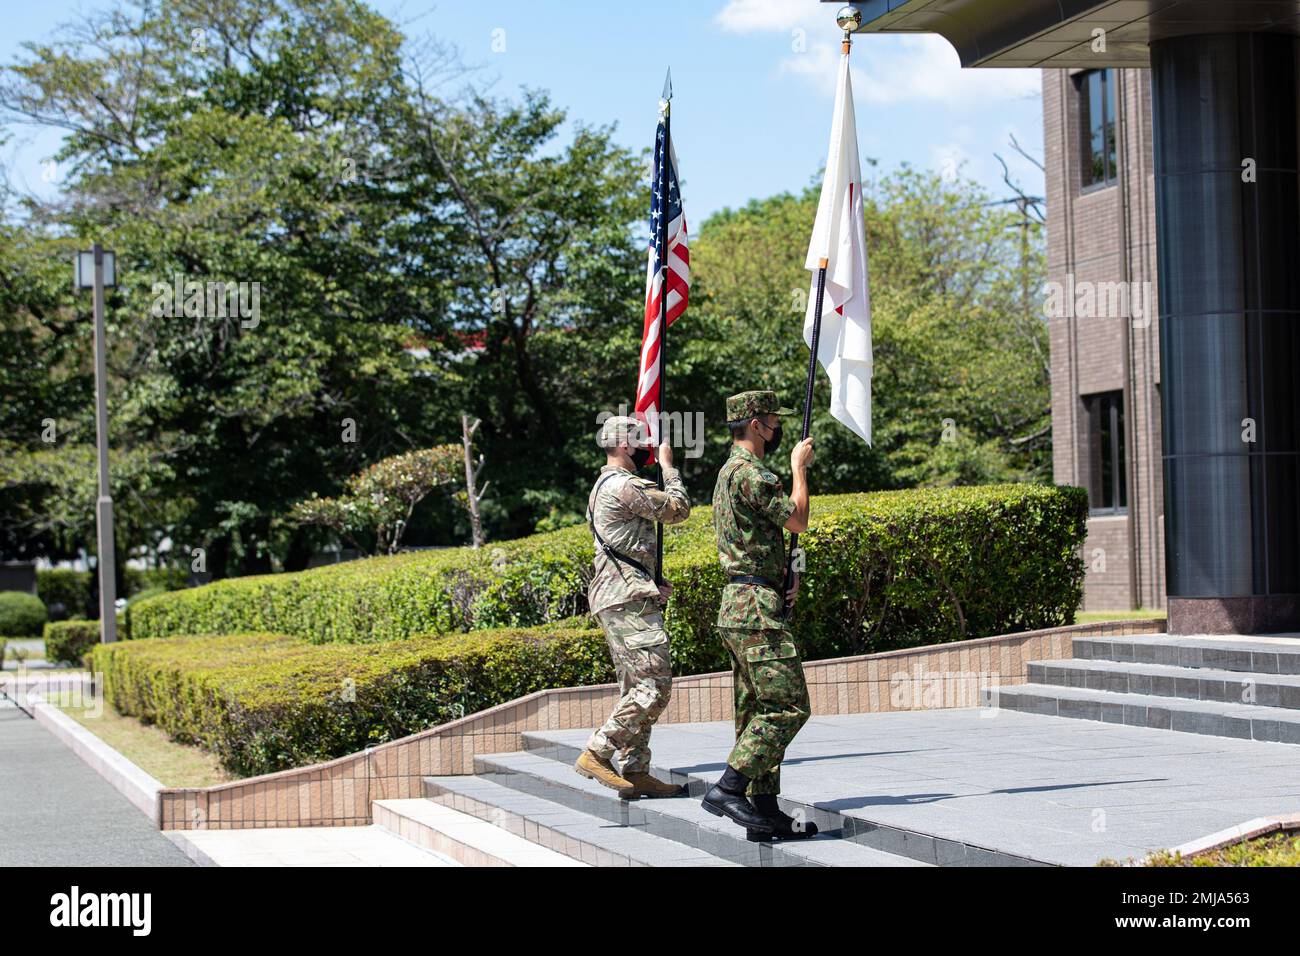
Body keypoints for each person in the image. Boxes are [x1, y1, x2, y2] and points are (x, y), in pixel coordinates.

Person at [700, 390, 818, 840]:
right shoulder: (754, 474)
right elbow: (798, 520)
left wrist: (787, 574)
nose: (776, 426)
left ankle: (764, 810)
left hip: (741, 603)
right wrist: (798, 470)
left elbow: (767, 541)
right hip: (755, 610)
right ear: (754, 424)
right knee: (789, 706)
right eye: (771, 419)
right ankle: (728, 789)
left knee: (755, 713)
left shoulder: (727, 472)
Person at [573, 414, 692, 798]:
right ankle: (598, 750)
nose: (647, 447)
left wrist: (650, 581)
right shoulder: (622, 485)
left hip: (625, 595)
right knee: (654, 685)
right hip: (627, 601)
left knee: (636, 688)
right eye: (641, 441)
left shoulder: (602, 486)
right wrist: (669, 467)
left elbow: (627, 546)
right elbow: (677, 509)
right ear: (625, 445)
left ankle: (636, 769)